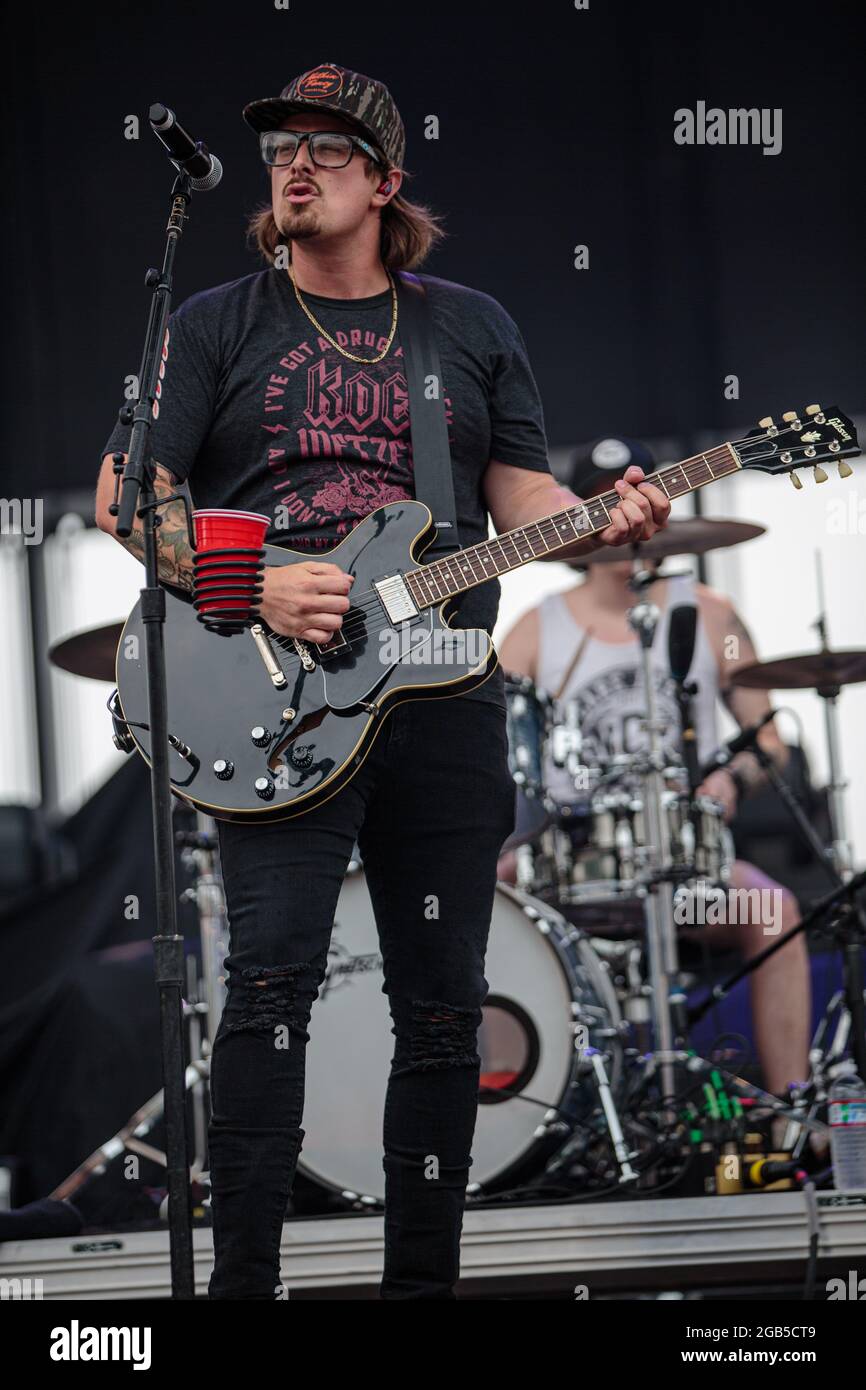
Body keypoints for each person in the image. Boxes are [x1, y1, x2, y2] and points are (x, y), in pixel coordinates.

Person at [94, 66, 670, 1299]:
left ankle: (422, 1290)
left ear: (385, 181)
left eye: (328, 149)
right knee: (266, 989)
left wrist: (598, 517)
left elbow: (518, 492)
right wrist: (255, 585)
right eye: (281, 149)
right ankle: (244, 1286)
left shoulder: (468, 326)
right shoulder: (213, 324)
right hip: (277, 700)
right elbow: (126, 499)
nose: (295, 165)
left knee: (446, 1010)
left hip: (446, 686)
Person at [499, 436, 811, 1102]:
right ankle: (515, 1123)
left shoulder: (711, 614)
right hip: (570, 872)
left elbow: (769, 742)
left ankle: (793, 1112)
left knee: (773, 909)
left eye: (628, 496)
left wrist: (730, 779)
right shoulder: (533, 627)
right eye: (598, 502)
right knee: (473, 909)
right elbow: (493, 753)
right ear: (574, 512)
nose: (617, 514)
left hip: (683, 870)